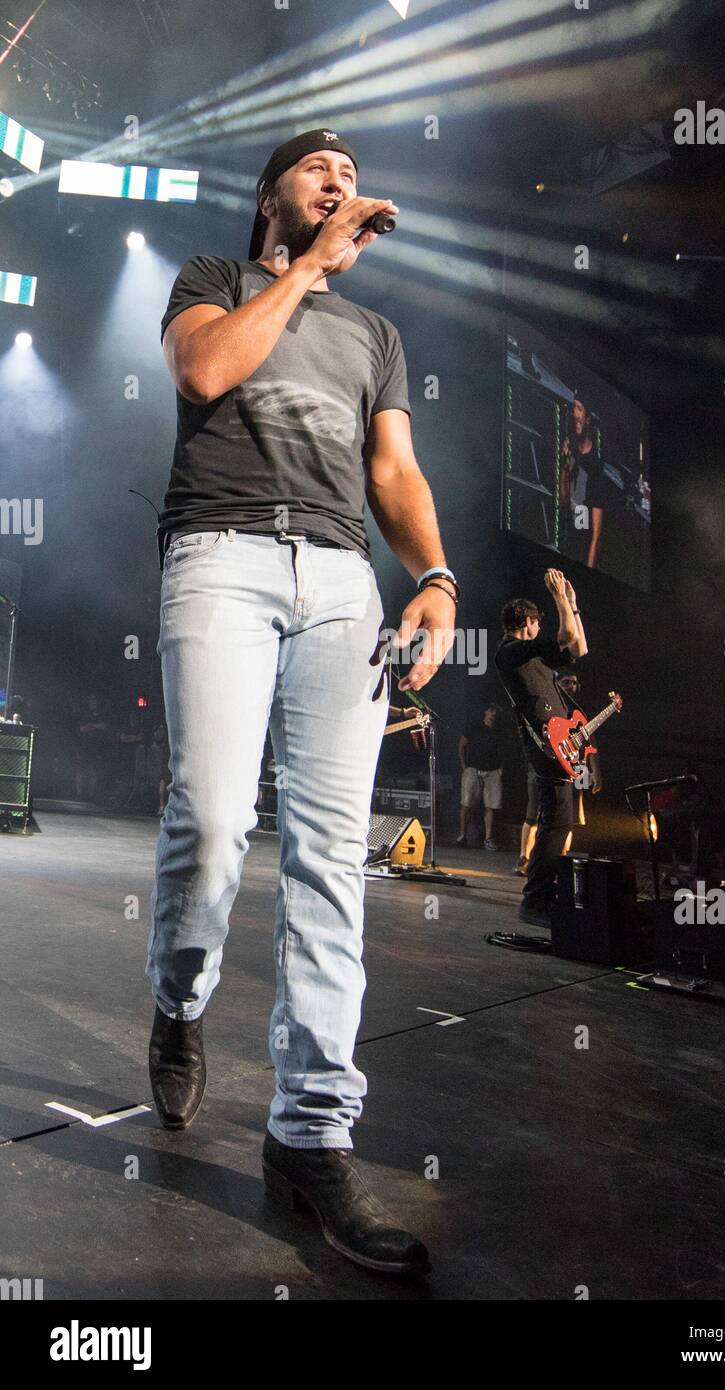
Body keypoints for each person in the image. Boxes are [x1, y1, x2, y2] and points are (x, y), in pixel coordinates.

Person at [149, 128, 458, 1278]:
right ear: (271, 194)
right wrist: (307, 264)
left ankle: (311, 1134)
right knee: (216, 816)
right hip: (218, 556)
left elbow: (393, 475)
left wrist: (432, 576)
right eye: (317, 168)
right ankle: (178, 1003)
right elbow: (205, 373)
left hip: (339, 579)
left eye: (349, 169)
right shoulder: (217, 281)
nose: (342, 180)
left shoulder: (376, 337)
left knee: (333, 853)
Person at [494, 571, 587, 926]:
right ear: (528, 622)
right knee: (555, 820)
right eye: (536, 622)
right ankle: (535, 900)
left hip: (557, 742)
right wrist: (559, 597)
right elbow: (564, 636)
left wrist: (573, 606)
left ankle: (539, 898)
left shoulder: (532, 657)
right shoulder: (512, 652)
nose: (538, 629)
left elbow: (577, 647)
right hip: (543, 744)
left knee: (558, 820)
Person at [559, 396, 604, 569]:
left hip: (582, 552)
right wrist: (564, 466)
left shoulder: (596, 465)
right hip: (567, 541)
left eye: (579, 408)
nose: (575, 414)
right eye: (573, 408)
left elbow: (596, 534)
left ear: (588, 419)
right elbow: (564, 501)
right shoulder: (572, 452)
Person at [456, 703, 503, 851]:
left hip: (492, 771)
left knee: (491, 806)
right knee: (466, 803)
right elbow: (461, 744)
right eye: (491, 710)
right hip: (473, 770)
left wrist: (501, 769)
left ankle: (487, 839)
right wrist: (464, 767)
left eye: (495, 711)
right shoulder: (474, 727)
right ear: (485, 711)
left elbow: (503, 751)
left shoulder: (499, 730)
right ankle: (462, 835)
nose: (493, 713)